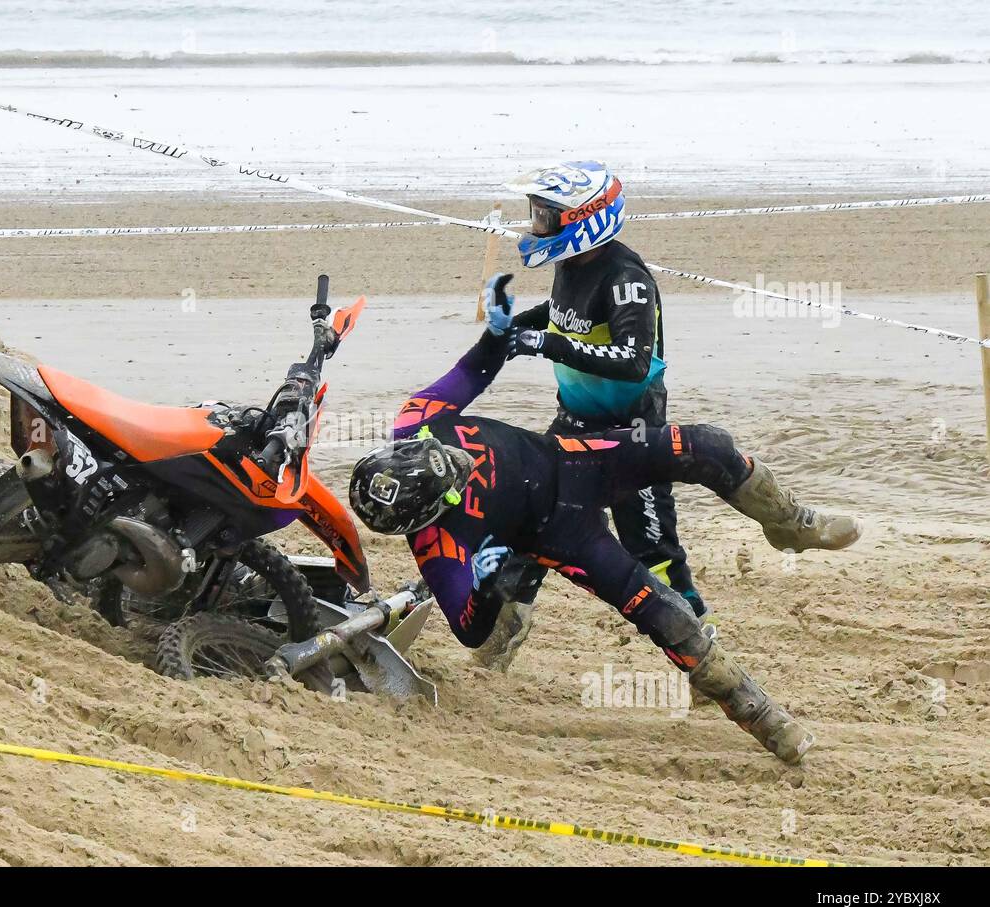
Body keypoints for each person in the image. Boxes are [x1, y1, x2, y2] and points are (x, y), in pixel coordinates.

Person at [347, 326, 861, 764]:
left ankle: (790, 523)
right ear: (432, 514)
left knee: (706, 445)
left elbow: (476, 369)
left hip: (575, 460)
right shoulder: (435, 546)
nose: (463, 463)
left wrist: (504, 328)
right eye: (454, 479)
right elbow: (468, 629)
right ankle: (761, 715)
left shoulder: (415, 421)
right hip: (563, 538)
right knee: (669, 616)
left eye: (443, 453)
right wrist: (490, 582)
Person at [483, 160, 708, 626]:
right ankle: (502, 633)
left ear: (584, 219)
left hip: (632, 431)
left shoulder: (628, 280)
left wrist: (546, 343)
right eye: (536, 213)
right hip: (573, 420)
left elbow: (633, 362)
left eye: (545, 217)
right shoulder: (571, 263)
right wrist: (515, 324)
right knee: (532, 515)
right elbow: (564, 310)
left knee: (652, 550)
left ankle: (701, 641)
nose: (535, 226)